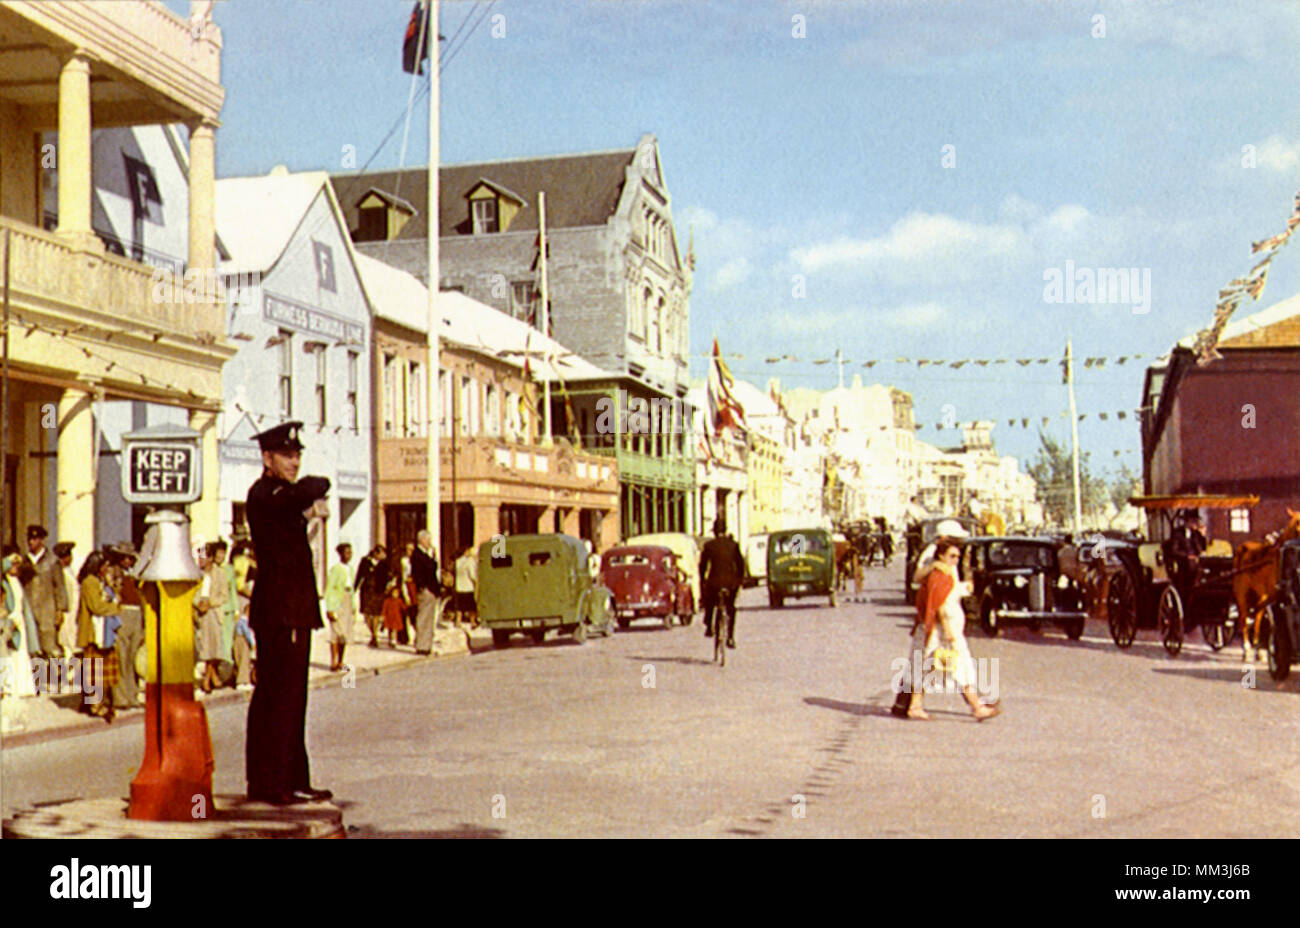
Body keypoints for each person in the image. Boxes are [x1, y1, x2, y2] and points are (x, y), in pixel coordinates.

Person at [244, 420, 334, 806]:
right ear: (267, 458)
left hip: (292, 610)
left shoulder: (282, 495)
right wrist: (307, 493)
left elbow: (312, 488)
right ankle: (272, 781)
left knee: (292, 697)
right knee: (278, 696)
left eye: (297, 455)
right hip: (281, 611)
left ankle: (292, 777)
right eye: (287, 455)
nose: (294, 461)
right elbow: (315, 486)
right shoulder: (266, 494)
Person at [893, 538, 998, 722]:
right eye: (952, 556)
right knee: (955, 665)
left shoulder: (945, 571)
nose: (955, 559)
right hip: (939, 630)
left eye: (957, 556)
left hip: (937, 629)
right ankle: (976, 707)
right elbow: (938, 605)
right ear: (941, 555)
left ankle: (915, 705)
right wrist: (948, 630)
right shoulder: (940, 573)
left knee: (927, 666)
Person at [76, 551, 122, 723]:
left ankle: (99, 702)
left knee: (102, 673)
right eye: (104, 566)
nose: (106, 569)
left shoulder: (100, 582)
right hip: (93, 634)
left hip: (104, 634)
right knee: (94, 672)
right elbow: (96, 606)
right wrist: (115, 608)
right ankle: (95, 705)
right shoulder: (90, 582)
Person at [22, 524, 67, 663]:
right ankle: (37, 682)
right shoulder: (24, 561)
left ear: (41, 540)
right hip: (29, 609)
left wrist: (60, 609)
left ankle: (54, 680)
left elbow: (59, 586)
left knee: (49, 646)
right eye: (30, 538)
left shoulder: (52, 561)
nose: (31, 542)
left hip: (47, 610)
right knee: (32, 648)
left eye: (35, 539)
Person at [195, 540, 235, 693]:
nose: (201, 561)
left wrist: (210, 603)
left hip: (214, 612)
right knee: (205, 647)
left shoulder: (219, 573)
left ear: (211, 558)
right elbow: (193, 593)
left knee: (215, 646)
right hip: (201, 613)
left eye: (204, 558)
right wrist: (198, 603)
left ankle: (208, 678)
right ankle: (212, 678)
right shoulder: (198, 574)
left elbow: (224, 596)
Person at [108, 543, 145, 709]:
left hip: (136, 613)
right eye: (124, 557)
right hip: (123, 612)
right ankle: (121, 697)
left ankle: (132, 694)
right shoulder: (115, 573)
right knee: (122, 657)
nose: (127, 560)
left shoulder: (135, 574)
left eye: (129, 557)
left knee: (132, 658)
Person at [700, 518, 745, 648]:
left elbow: (703, 565)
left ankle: (709, 626)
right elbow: (740, 564)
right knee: (731, 608)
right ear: (725, 530)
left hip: (714, 582)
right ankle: (730, 637)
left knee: (709, 603)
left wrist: (702, 579)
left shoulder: (709, 546)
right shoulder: (733, 544)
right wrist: (739, 580)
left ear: (714, 531)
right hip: (730, 583)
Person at [324, 543, 356, 672]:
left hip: (348, 598)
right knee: (336, 632)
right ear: (341, 554)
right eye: (347, 553)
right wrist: (330, 607)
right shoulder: (336, 569)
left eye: (350, 552)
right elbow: (330, 588)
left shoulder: (350, 569)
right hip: (338, 600)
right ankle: (333, 661)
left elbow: (352, 588)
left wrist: (353, 605)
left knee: (345, 634)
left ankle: (341, 661)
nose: (349, 555)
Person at [410, 531, 443, 654]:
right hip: (426, 589)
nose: (430, 543)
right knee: (424, 617)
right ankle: (422, 645)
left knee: (429, 618)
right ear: (422, 540)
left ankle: (427, 644)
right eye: (428, 540)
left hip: (431, 589)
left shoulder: (425, 555)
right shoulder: (418, 555)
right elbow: (424, 571)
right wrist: (424, 587)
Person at [354, 544, 388, 647]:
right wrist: (355, 588)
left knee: (377, 613)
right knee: (367, 613)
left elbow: (387, 577)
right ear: (376, 553)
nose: (384, 555)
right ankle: (372, 632)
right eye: (382, 553)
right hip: (367, 590)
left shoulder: (384, 564)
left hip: (378, 590)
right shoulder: (365, 561)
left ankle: (375, 635)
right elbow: (359, 574)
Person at [54, 542, 79, 662]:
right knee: (66, 642)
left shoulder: (70, 571)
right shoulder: (61, 573)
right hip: (67, 613)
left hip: (74, 612)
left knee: (72, 643)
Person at [381, 550, 409, 648]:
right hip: (396, 593)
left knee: (398, 623)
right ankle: (395, 639)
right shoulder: (393, 569)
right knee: (392, 626)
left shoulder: (403, 566)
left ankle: (399, 638)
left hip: (401, 592)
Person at [453, 546, 477, 626]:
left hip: (459, 587)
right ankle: (473, 622)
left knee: (460, 606)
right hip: (468, 586)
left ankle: (458, 621)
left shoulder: (458, 561)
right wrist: (476, 582)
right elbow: (472, 575)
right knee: (471, 606)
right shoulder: (470, 561)